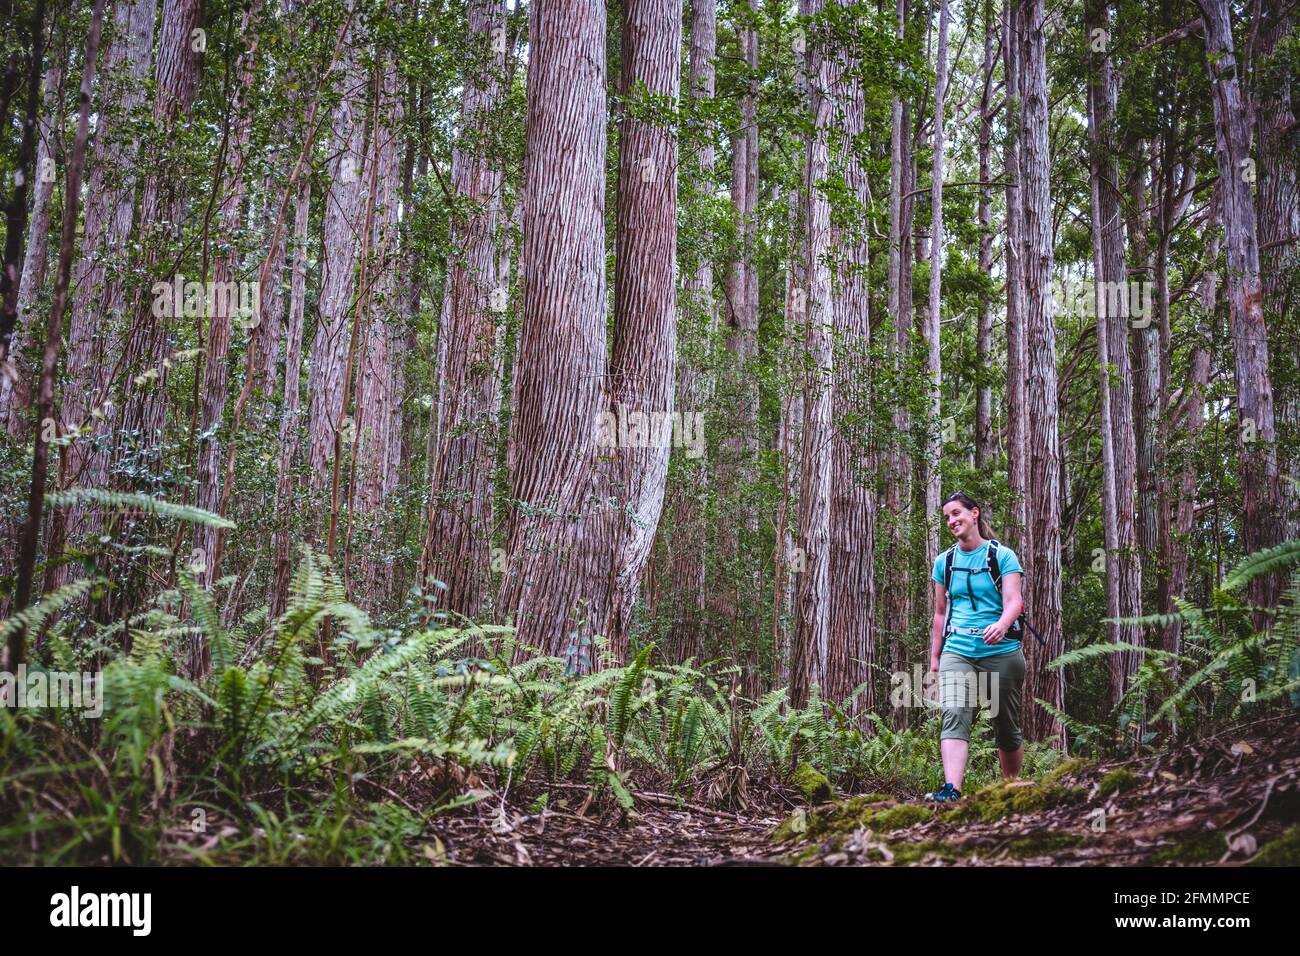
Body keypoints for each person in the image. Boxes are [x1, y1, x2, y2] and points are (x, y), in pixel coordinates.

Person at [922, 491, 1026, 802]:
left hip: (1001, 650)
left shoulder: (1002, 556)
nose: (952, 521)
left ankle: (1011, 790)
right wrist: (935, 659)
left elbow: (1014, 601)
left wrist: (1002, 624)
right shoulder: (945, 562)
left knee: (1005, 726)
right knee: (954, 712)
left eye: (957, 514)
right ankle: (952, 790)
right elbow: (940, 612)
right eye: (947, 517)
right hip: (958, 648)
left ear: (974, 513)